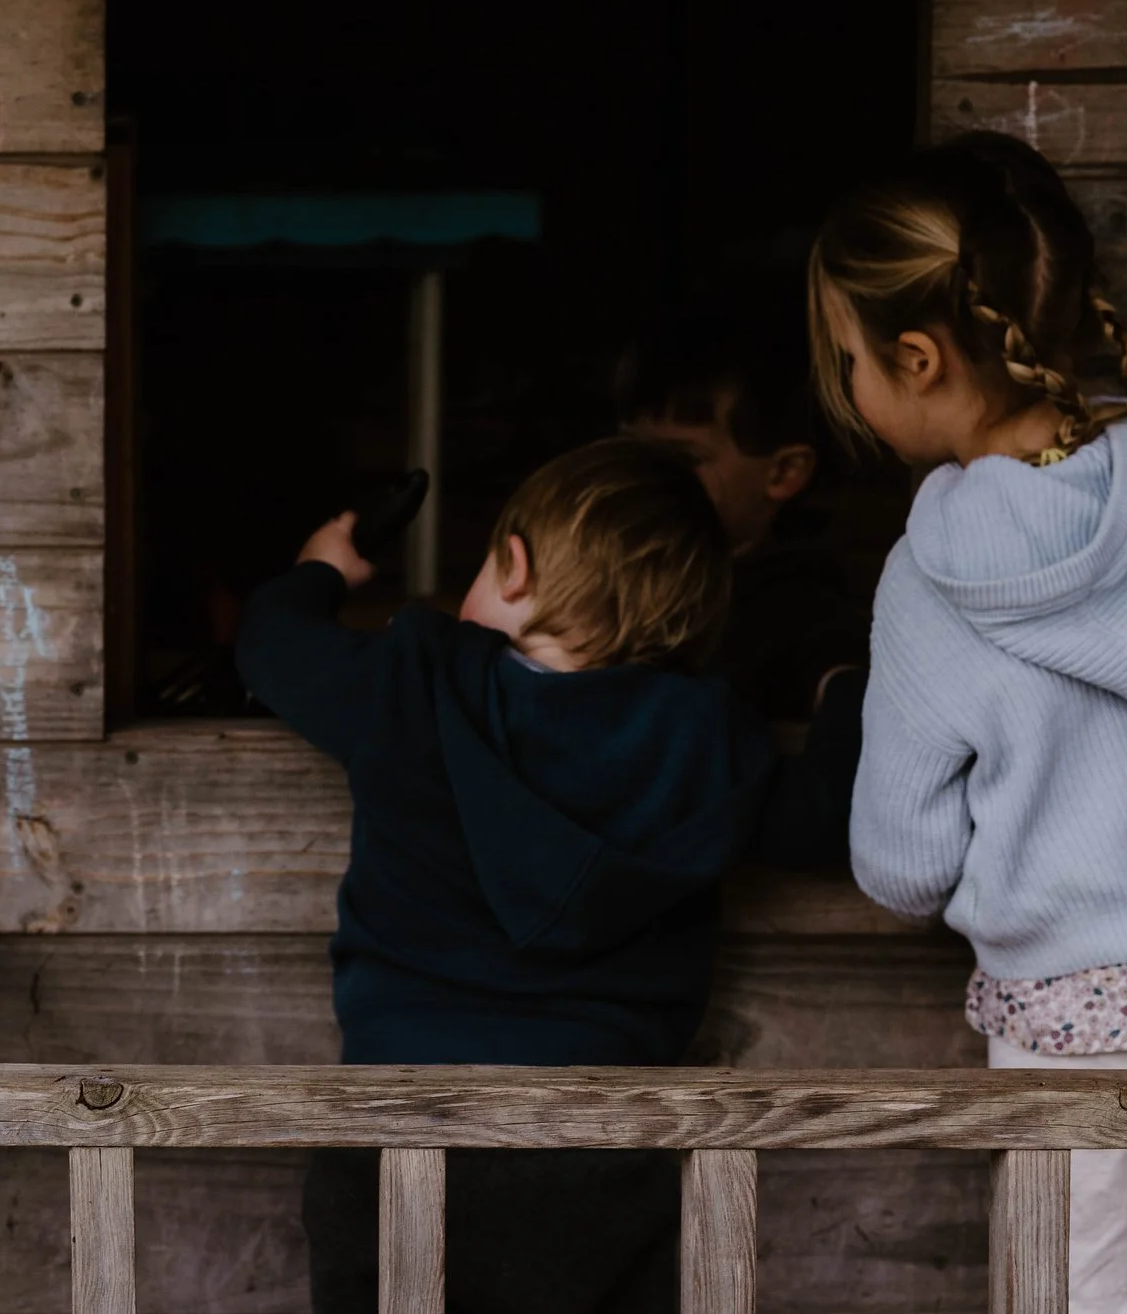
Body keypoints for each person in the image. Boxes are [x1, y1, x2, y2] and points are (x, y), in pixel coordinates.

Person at [811, 131, 1127, 1314]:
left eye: (847, 357)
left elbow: (901, 862)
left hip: (1071, 1001)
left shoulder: (930, 578)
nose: (846, 381)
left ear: (919, 358)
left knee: (1073, 1289)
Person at [237, 437, 859, 1314]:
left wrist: (321, 570)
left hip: (393, 1125)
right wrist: (843, 685)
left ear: (514, 565)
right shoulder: (707, 736)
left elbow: (270, 646)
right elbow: (829, 812)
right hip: (602, 1147)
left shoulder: (415, 680)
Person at [616, 301, 872, 721]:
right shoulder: (598, 572)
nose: (642, 480)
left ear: (784, 472)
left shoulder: (805, 614)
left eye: (681, 460)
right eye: (628, 455)